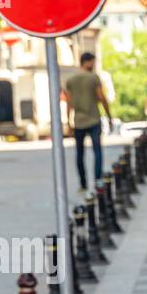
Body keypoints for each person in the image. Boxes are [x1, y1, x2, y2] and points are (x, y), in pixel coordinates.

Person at [62, 52, 112, 192]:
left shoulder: (71, 80)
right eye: (93, 62)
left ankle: (83, 184)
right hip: (94, 119)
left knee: (80, 153)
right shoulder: (93, 78)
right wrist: (109, 116)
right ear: (88, 62)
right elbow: (101, 97)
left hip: (78, 121)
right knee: (97, 151)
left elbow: (69, 103)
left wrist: (68, 122)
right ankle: (97, 181)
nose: (94, 65)